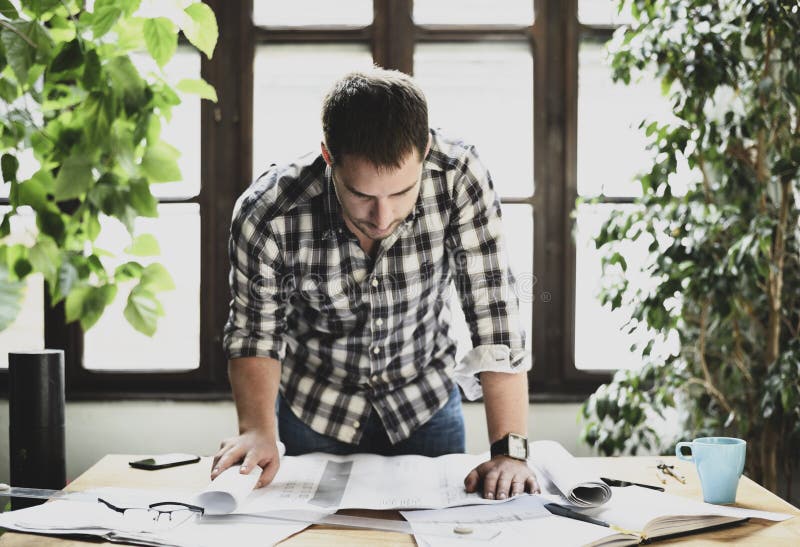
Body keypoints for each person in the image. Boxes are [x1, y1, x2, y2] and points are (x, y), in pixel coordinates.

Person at [212, 67, 538, 501]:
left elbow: (493, 310)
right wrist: (255, 430)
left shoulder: (459, 176)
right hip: (314, 408)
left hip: (425, 401)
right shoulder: (269, 211)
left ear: (423, 151)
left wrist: (510, 450)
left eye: (402, 193)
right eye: (363, 195)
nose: (382, 218)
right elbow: (256, 331)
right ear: (329, 156)